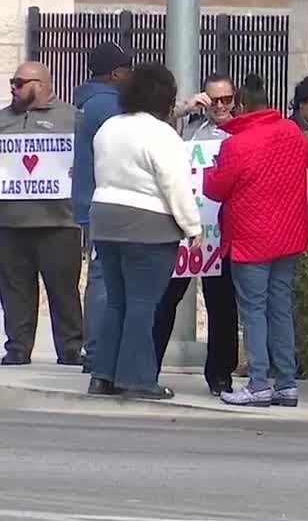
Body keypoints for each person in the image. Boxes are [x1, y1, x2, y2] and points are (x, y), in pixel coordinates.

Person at [86, 63, 201, 400]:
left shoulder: (109, 127)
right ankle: (137, 378)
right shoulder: (163, 134)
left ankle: (102, 375)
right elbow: (174, 184)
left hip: (105, 219)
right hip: (148, 225)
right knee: (142, 304)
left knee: (116, 303)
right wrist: (192, 226)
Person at [204, 75, 308, 408]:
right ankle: (286, 384)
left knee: (254, 311)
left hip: (251, 239)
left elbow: (216, 189)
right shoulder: (293, 133)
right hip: (289, 235)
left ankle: (259, 383)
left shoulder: (236, 144)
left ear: (240, 106)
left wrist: (210, 170)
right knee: (281, 308)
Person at [152, 73, 240, 395]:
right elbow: (154, 126)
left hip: (222, 230)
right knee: (166, 300)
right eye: (213, 100)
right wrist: (184, 108)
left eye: (225, 100)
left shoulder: (240, 132)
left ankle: (220, 375)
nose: (219, 106)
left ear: (235, 99)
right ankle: (149, 367)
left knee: (222, 306)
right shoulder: (187, 129)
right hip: (185, 230)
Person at [0, 62, 83, 366]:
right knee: (14, 291)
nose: (13, 87)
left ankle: (71, 348)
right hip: (9, 222)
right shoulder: (3, 120)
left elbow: (90, 156)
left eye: (19, 82)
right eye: (12, 81)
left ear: (42, 84)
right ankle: (18, 347)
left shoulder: (72, 118)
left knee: (63, 291)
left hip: (59, 221)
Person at [73, 40, 132, 373]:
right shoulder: (109, 105)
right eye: (128, 70)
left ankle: (95, 349)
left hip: (89, 201)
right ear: (115, 73)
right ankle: (96, 352)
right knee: (104, 279)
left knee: (99, 276)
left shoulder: (85, 102)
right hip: (107, 202)